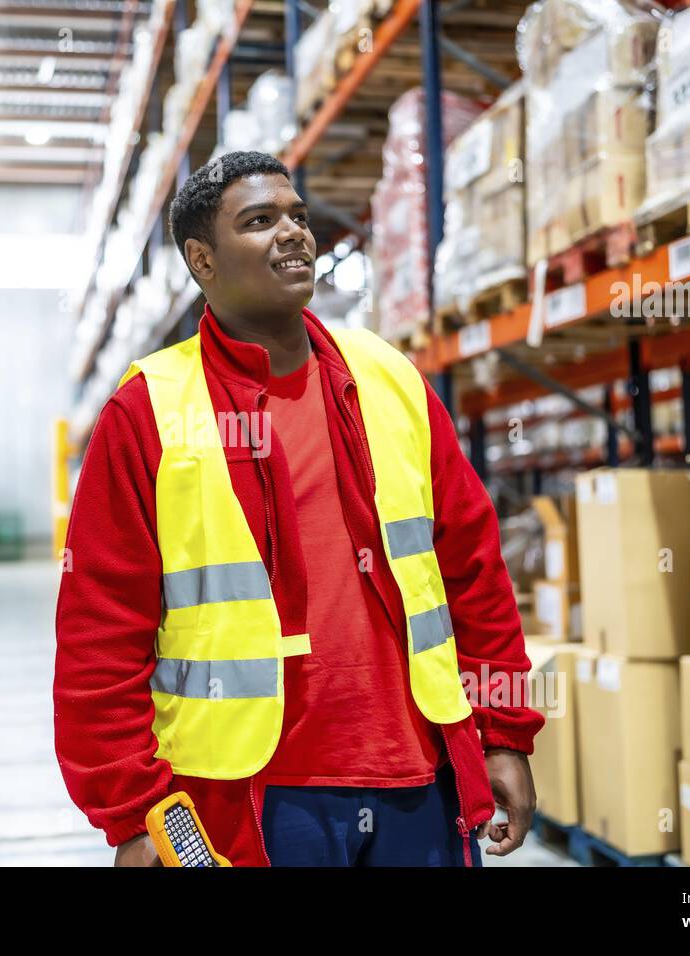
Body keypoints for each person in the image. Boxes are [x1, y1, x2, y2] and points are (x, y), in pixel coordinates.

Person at [54, 150, 543, 867]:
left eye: (298, 217)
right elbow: (99, 634)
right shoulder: (149, 409)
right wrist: (133, 813)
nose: (293, 234)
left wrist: (502, 730)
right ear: (203, 260)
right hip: (252, 797)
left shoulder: (389, 378)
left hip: (420, 778)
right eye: (259, 222)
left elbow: (472, 568)